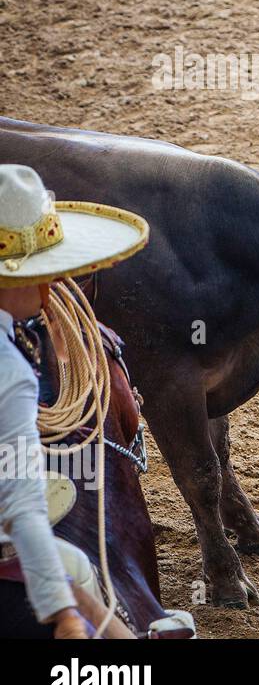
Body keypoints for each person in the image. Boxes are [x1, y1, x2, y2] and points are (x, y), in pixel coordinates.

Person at [0, 164, 148, 637]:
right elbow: (23, 507)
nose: (50, 290)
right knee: (75, 575)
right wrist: (64, 613)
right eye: (41, 275)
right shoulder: (10, 372)